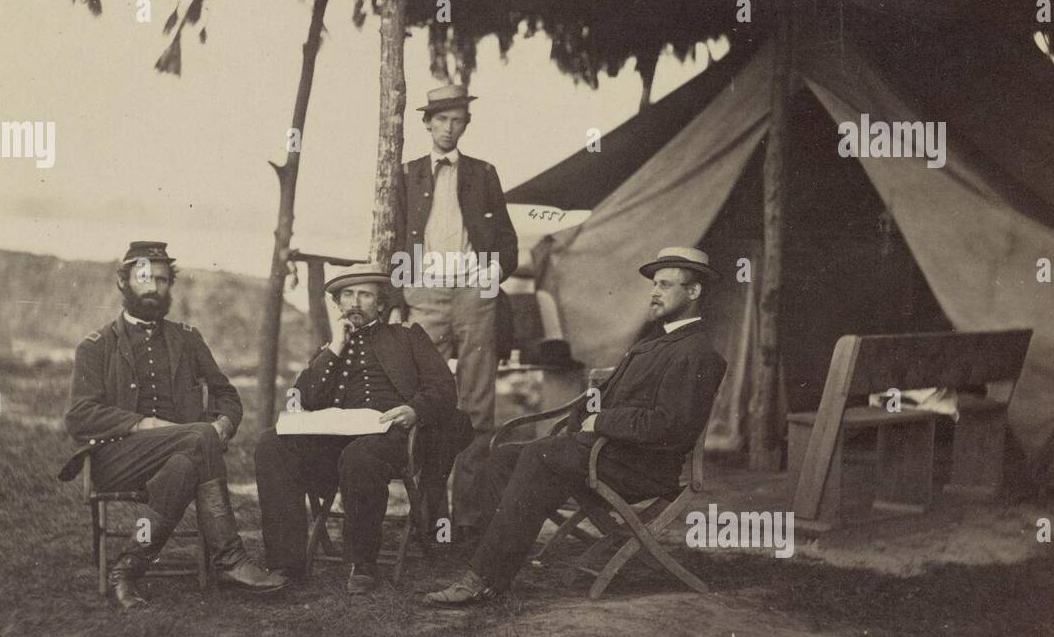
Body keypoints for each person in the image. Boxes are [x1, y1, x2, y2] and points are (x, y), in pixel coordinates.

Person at [424, 246, 727, 606]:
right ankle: (486, 566)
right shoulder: (655, 341)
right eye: (654, 284)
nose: (654, 292)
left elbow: (669, 426)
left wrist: (601, 421)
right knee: (504, 457)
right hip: (611, 453)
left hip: (642, 467)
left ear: (694, 292)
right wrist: (584, 416)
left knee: (540, 455)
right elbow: (609, 400)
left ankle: (482, 578)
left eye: (665, 284)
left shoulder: (697, 353)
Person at [59, 241, 285, 609]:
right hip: (118, 459)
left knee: (189, 458)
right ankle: (230, 560)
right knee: (199, 437)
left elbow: (227, 394)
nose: (153, 288)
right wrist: (142, 424)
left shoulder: (187, 339)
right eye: (145, 278)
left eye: (162, 280)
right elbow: (79, 415)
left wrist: (225, 424)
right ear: (123, 281)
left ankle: (127, 570)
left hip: (183, 459)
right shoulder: (96, 345)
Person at [254, 263, 465, 594]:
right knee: (271, 444)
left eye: (365, 295)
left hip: (394, 437)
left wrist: (414, 410)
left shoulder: (408, 336)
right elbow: (305, 398)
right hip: (335, 441)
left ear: (380, 304)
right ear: (338, 304)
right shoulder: (330, 350)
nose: (354, 302)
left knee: (360, 455)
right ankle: (285, 564)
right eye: (347, 295)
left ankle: (362, 563)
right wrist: (335, 347)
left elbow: (443, 388)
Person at [396, 84, 519, 538]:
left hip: (473, 295)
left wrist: (491, 278)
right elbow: (392, 237)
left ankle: (468, 518)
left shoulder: (484, 173)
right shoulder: (405, 174)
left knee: (477, 407)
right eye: (441, 119)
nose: (449, 128)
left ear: (466, 125)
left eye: (458, 120)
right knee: (424, 400)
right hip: (423, 293)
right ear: (426, 123)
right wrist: (400, 291)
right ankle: (428, 516)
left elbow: (506, 238)